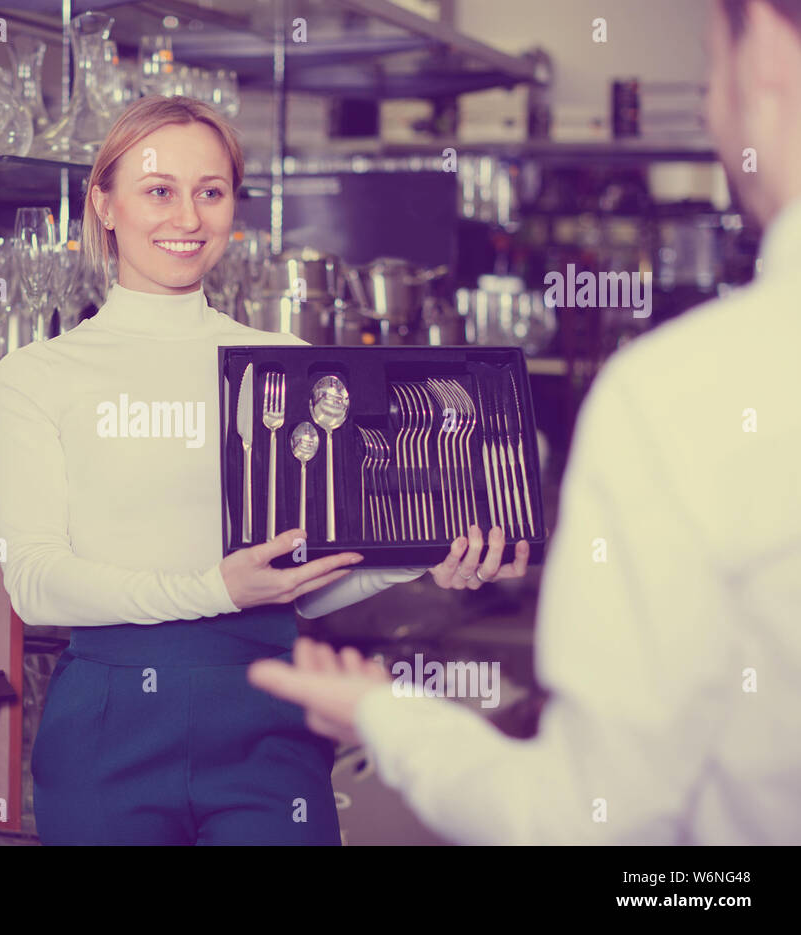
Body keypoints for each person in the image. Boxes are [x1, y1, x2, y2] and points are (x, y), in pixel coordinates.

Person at [249, 0, 801, 845]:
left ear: (761, 42)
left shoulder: (679, 394)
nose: (703, 102)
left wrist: (384, 716)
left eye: (706, 58)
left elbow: (589, 823)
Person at [0, 95, 526, 846]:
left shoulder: (288, 365)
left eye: (211, 192)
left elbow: (309, 576)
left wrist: (423, 558)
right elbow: (34, 581)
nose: (188, 217)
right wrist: (215, 589)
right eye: (158, 190)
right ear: (104, 204)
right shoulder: (36, 376)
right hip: (109, 725)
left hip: (268, 713)